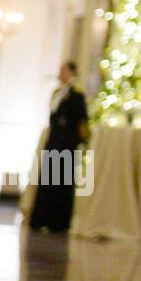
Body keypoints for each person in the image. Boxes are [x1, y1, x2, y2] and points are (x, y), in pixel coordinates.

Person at [28, 61, 89, 233]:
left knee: (63, 181)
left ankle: (59, 222)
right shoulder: (57, 93)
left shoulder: (77, 95)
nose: (60, 73)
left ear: (71, 73)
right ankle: (40, 219)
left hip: (67, 145)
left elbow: (82, 121)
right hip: (54, 142)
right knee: (48, 179)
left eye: (64, 70)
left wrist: (78, 140)